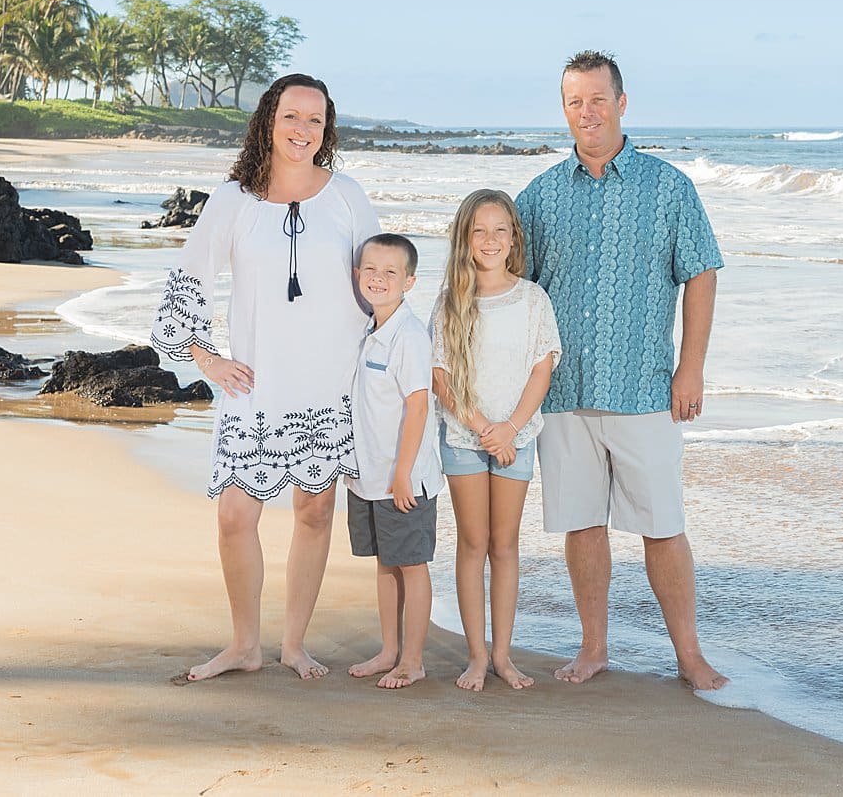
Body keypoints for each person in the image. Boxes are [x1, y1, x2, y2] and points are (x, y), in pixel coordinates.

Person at [153, 73, 379, 683]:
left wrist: (392, 368)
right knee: (234, 516)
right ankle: (244, 644)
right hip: (254, 384)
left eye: (315, 119)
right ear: (268, 122)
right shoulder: (233, 200)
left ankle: (294, 645)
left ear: (327, 128)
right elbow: (189, 278)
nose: (303, 129)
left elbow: (380, 280)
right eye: (291, 117)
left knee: (315, 512)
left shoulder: (348, 196)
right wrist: (206, 358)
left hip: (330, 383)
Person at [515, 50, 729, 693]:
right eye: (575, 102)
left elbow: (701, 274)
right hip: (564, 392)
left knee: (662, 526)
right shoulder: (540, 195)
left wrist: (691, 368)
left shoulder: (669, 188)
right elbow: (511, 288)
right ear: (564, 109)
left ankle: (689, 655)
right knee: (582, 525)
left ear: (622, 103)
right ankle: (593, 648)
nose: (587, 112)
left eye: (598, 99)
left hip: (644, 388)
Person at [430, 189, 560, 692]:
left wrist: (509, 429)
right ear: (465, 238)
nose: (490, 240)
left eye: (499, 230)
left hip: (516, 436)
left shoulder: (532, 299)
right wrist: (485, 427)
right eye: (479, 231)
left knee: (504, 545)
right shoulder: (451, 302)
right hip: (465, 437)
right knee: (473, 542)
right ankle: (477, 656)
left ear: (513, 238)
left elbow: (541, 369)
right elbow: (442, 377)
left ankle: (503, 655)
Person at [343, 234, 444, 690]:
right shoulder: (369, 330)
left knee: (411, 565)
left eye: (390, 272)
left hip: (403, 479)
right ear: (357, 275)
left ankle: (413, 660)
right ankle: (389, 651)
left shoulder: (409, 335)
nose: (378, 279)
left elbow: (418, 406)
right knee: (386, 563)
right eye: (370, 269)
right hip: (369, 476)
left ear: (410, 281)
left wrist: (403, 474)